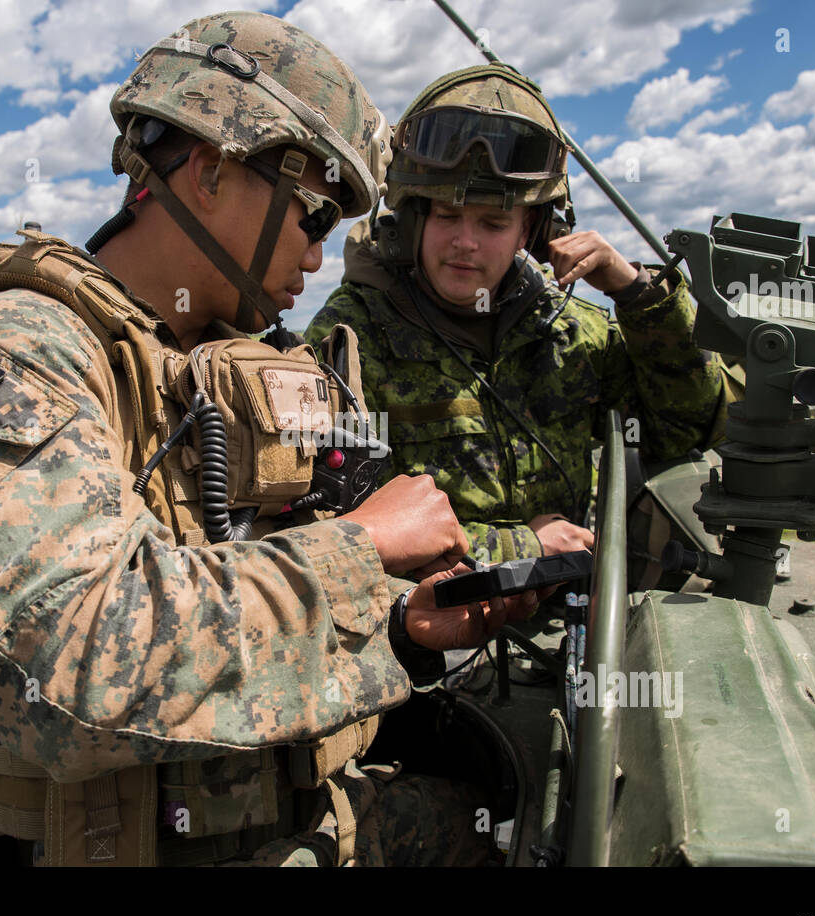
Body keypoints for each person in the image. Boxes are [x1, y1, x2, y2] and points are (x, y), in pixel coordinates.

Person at [0, 12, 541, 867]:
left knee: (507, 806)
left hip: (299, 822)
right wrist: (360, 547)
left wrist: (405, 629)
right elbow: (67, 670)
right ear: (209, 173)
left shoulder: (241, 363)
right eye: (312, 215)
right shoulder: (18, 351)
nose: (318, 256)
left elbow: (251, 582)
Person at [306, 64, 727, 567]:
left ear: (530, 231)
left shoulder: (568, 329)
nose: (466, 242)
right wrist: (522, 547)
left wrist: (636, 291)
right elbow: (345, 523)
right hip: (426, 624)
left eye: (493, 222)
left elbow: (684, 430)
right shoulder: (351, 337)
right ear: (414, 218)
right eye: (447, 216)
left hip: (572, 612)